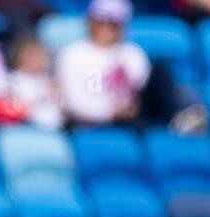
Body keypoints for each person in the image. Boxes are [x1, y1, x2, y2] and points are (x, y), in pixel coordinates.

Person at [56, 0, 150, 128]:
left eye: (113, 24)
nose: (106, 28)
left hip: (129, 121)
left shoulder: (133, 54)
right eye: (101, 22)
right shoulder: (73, 54)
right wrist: (110, 113)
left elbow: (138, 92)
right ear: (90, 22)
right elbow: (74, 102)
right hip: (85, 124)